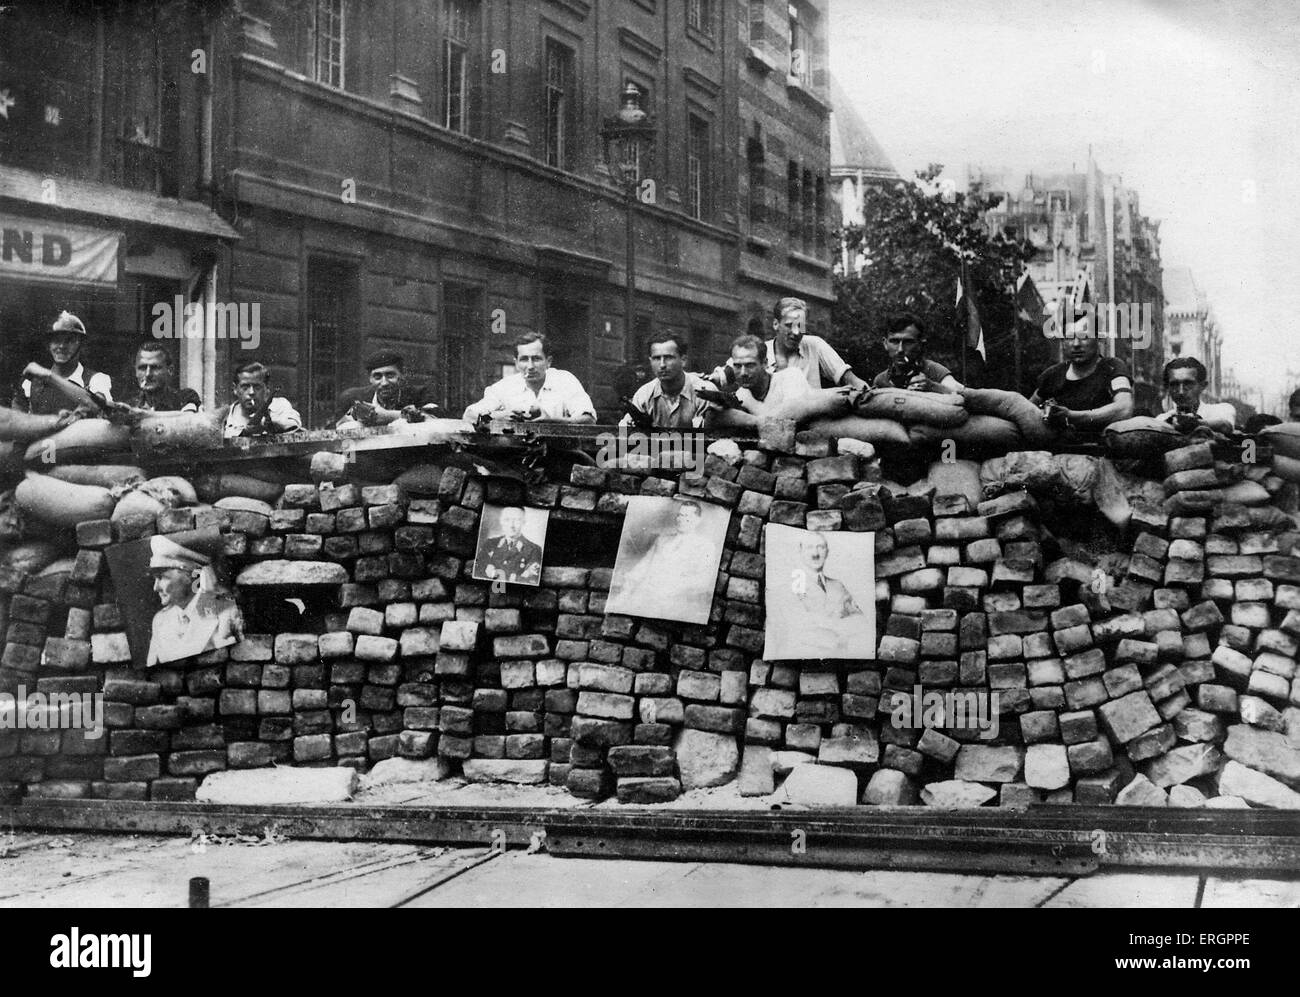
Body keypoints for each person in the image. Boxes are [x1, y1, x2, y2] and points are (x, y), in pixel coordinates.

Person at [610, 500, 719, 621]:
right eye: (680, 515)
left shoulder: (705, 546)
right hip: (644, 593)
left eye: (687, 516)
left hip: (676, 601)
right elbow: (643, 565)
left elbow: (702, 580)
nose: (681, 519)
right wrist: (626, 589)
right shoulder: (662, 540)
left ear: (698, 520)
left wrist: (672, 588)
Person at [145, 535, 243, 666]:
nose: (155, 587)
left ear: (191, 576)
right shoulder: (161, 620)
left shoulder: (225, 612)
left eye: (162, 577)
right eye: (155, 579)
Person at [1027, 321, 1134, 438]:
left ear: (1098, 339)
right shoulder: (1053, 374)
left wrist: (1072, 416)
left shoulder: (1112, 367)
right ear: (1062, 342)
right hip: (1057, 449)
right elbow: (1027, 410)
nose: (1076, 344)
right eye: (1069, 338)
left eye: (1084, 337)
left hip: (1099, 448)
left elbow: (1124, 408)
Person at [770, 533, 865, 659]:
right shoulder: (788, 589)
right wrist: (840, 630)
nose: (815, 554)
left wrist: (825, 624)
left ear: (827, 552)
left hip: (839, 661)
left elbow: (861, 621)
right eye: (809, 547)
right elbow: (800, 631)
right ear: (800, 551)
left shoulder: (838, 586)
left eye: (821, 547)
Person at [462, 333, 596, 423]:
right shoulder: (505, 387)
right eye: (524, 359)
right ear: (516, 363)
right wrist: (497, 416)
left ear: (548, 361)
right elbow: (469, 415)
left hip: (561, 455)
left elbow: (589, 419)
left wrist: (555, 421)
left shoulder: (564, 381)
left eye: (536, 359)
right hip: (516, 455)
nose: (530, 366)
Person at [15, 311, 113, 414]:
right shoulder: (31, 382)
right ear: (48, 345)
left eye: (70, 341)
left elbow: (100, 407)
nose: (62, 346)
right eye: (56, 340)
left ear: (82, 345)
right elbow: (17, 422)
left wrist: (49, 376)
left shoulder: (97, 379)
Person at [764, 296, 868, 391]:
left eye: (800, 326)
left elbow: (849, 378)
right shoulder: (761, 352)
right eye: (789, 325)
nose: (796, 332)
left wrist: (869, 394)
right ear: (776, 324)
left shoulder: (814, 344)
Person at [620, 333, 714, 429]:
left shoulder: (705, 393)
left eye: (668, 358)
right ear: (650, 360)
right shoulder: (644, 395)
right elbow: (626, 429)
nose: (662, 365)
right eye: (656, 358)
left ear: (683, 360)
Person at [334, 349, 438, 429]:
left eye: (390, 375)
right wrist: (346, 419)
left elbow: (435, 417)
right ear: (370, 378)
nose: (384, 383)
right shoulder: (352, 397)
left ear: (401, 375)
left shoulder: (419, 393)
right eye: (377, 377)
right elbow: (331, 432)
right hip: (365, 453)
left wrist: (389, 416)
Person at [871, 315, 963, 392]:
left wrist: (932, 386)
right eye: (894, 341)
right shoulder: (881, 380)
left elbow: (961, 392)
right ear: (885, 343)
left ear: (921, 344)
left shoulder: (933, 370)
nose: (900, 350)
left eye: (908, 342)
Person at [218, 362, 303, 438]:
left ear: (267, 389)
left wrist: (272, 424)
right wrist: (246, 432)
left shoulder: (279, 406)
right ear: (235, 389)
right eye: (245, 387)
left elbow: (295, 426)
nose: (251, 392)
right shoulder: (226, 417)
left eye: (257, 387)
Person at [1154, 357, 1236, 435]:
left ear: (1203, 386)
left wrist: (1194, 423)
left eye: (1188, 384)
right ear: (1167, 387)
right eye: (1174, 384)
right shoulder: (1161, 419)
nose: (1181, 392)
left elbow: (1226, 426)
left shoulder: (1221, 410)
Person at [122, 343, 202, 413]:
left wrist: (143, 416)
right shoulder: (130, 406)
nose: (147, 374)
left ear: (170, 370)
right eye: (142, 368)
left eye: (155, 368)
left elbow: (186, 420)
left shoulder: (185, 398)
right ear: (135, 371)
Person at [476, 506, 543, 584]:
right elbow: (477, 571)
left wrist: (497, 574)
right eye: (507, 520)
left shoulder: (534, 549)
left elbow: (531, 581)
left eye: (517, 520)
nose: (512, 526)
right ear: (501, 521)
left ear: (523, 522)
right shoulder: (490, 544)